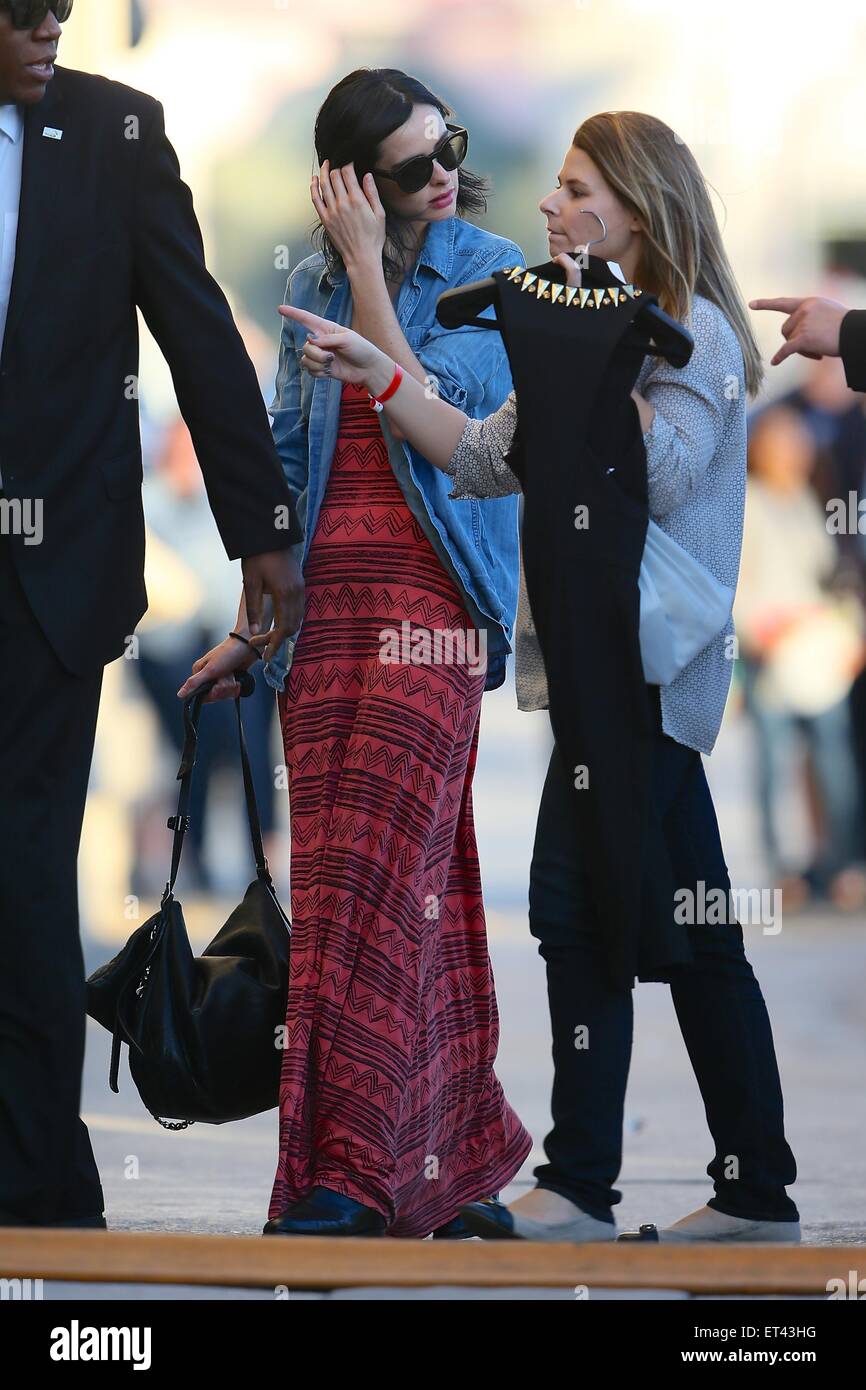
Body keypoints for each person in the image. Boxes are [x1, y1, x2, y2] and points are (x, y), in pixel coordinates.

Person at [277, 110, 802, 1244]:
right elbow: (475, 455)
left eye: (571, 189)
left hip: (651, 682)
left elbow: (659, 478)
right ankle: (698, 1184)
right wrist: (380, 370)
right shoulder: (579, 326)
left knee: (631, 917)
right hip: (589, 680)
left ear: (632, 203)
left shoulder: (696, 334)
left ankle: (611, 1186)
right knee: (616, 918)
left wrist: (594, 351)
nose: (546, 207)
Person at [181, 69, 531, 1238]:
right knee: (361, 891)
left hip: (431, 608)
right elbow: (285, 462)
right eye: (404, 168)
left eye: (448, 151)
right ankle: (459, 1162)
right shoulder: (308, 282)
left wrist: (376, 274)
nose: (436, 177)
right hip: (325, 618)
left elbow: (452, 426)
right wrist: (252, 623)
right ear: (347, 185)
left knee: (391, 876)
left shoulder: (486, 268)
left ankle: (349, 1175)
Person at [0, 4, 304, 1229]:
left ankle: (38, 1184)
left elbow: (196, 332)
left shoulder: (119, 133)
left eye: (60, 11)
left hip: (52, 582)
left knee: (25, 879)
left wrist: (263, 530)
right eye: (22, 9)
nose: (47, 27)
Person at [735, 405, 865, 907]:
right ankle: (780, 868)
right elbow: (737, 583)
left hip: (819, 660)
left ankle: (837, 865)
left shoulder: (813, 504)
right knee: (772, 766)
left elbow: (836, 580)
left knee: (835, 767)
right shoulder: (750, 504)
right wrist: (757, 629)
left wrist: (850, 634)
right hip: (772, 658)